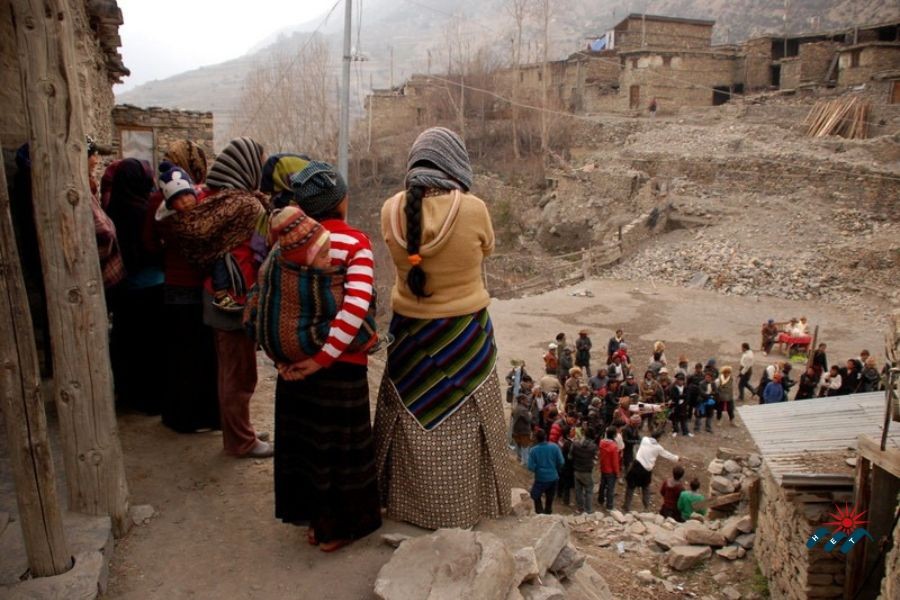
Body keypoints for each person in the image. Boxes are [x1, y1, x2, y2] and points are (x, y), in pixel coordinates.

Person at [374, 127, 511, 530]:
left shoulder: (390, 210)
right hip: (465, 336)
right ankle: (462, 509)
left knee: (411, 418)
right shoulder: (473, 209)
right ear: (455, 164)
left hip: (411, 336)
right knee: (465, 421)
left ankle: (409, 506)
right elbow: (487, 248)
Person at [275, 159, 381, 551]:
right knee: (339, 453)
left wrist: (285, 358)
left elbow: (275, 303)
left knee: (306, 446)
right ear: (342, 201)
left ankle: (313, 520)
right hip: (341, 367)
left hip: (293, 366)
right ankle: (335, 529)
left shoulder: (287, 242)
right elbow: (355, 310)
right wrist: (324, 358)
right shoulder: (356, 242)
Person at [184, 138, 272, 460]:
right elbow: (264, 246)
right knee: (239, 371)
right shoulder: (247, 205)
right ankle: (240, 441)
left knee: (231, 368)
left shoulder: (209, 197)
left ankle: (240, 428)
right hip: (236, 298)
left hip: (216, 294)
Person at [149, 140, 221, 434]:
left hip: (173, 286)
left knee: (179, 353)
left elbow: (150, 244)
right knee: (199, 354)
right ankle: (196, 417)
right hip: (193, 287)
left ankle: (179, 415)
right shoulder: (199, 203)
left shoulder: (162, 204)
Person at [101, 157, 164, 414]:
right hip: (150, 286)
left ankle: (128, 395)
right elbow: (149, 250)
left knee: (127, 343)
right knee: (150, 347)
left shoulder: (112, 208)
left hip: (123, 288)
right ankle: (150, 400)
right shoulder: (144, 211)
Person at [623, 432, 679, 512]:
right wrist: (677, 458)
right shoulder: (658, 448)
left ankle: (626, 506)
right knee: (645, 488)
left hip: (636, 466)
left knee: (630, 487)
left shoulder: (645, 439)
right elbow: (667, 455)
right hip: (646, 471)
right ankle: (646, 508)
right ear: (658, 438)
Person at [528, 429, 564, 514]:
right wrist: (555, 468)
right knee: (549, 498)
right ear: (546, 437)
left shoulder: (533, 450)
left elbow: (530, 467)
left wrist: (538, 469)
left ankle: (539, 512)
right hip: (553, 477)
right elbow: (561, 462)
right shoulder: (554, 447)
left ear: (536, 439)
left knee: (535, 495)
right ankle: (548, 513)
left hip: (541, 478)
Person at [570, 428, 597, 514]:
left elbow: (570, 457)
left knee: (578, 491)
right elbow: (595, 458)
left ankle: (580, 508)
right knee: (589, 491)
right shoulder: (593, 446)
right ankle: (588, 510)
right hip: (587, 471)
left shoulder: (575, 444)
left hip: (577, 470)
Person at [598, 425, 621, 511]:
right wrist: (617, 472)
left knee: (602, 485)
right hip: (611, 471)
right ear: (614, 435)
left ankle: (600, 500)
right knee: (610, 489)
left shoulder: (601, 442)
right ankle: (609, 505)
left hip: (603, 467)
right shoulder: (614, 447)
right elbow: (615, 462)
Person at [511, 395, 534, 465]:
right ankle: (525, 461)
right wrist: (530, 415)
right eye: (526, 400)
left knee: (519, 445)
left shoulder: (516, 408)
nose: (527, 401)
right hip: (523, 431)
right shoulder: (523, 410)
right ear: (521, 401)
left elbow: (512, 415)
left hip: (516, 430)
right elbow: (528, 420)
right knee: (525, 446)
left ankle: (519, 459)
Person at [669, 372, 690, 437]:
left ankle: (685, 432)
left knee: (684, 419)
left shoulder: (686, 388)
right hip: (676, 405)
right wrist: (682, 396)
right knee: (675, 419)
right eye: (679, 380)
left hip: (683, 405)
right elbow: (674, 397)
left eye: (682, 380)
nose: (680, 381)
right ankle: (675, 430)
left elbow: (687, 396)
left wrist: (681, 396)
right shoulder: (673, 388)